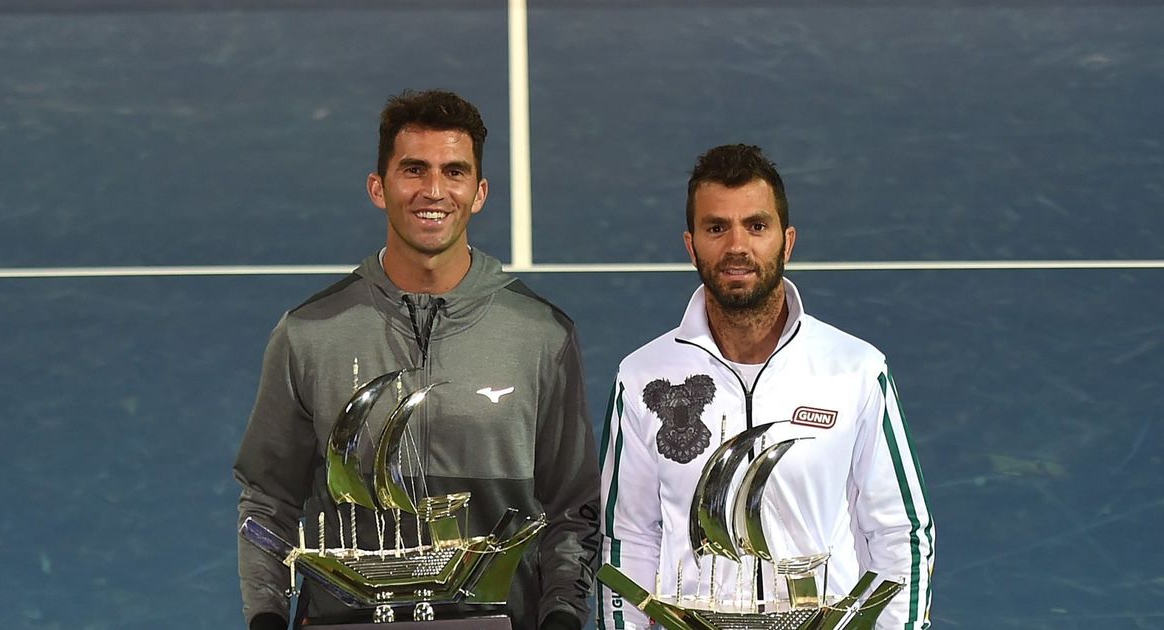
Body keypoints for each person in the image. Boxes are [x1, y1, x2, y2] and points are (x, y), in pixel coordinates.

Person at [234, 89, 600, 630]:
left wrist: (562, 618)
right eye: (413, 170)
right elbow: (269, 499)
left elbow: (573, 508)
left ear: (479, 192)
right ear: (377, 188)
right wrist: (266, 617)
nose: (434, 190)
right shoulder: (309, 333)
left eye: (454, 172)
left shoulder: (542, 336)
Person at [597, 144, 934, 629]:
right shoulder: (643, 377)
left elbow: (900, 532)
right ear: (691, 245)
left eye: (756, 226)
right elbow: (627, 537)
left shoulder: (855, 370)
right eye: (717, 228)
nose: (737, 246)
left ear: (786, 241)